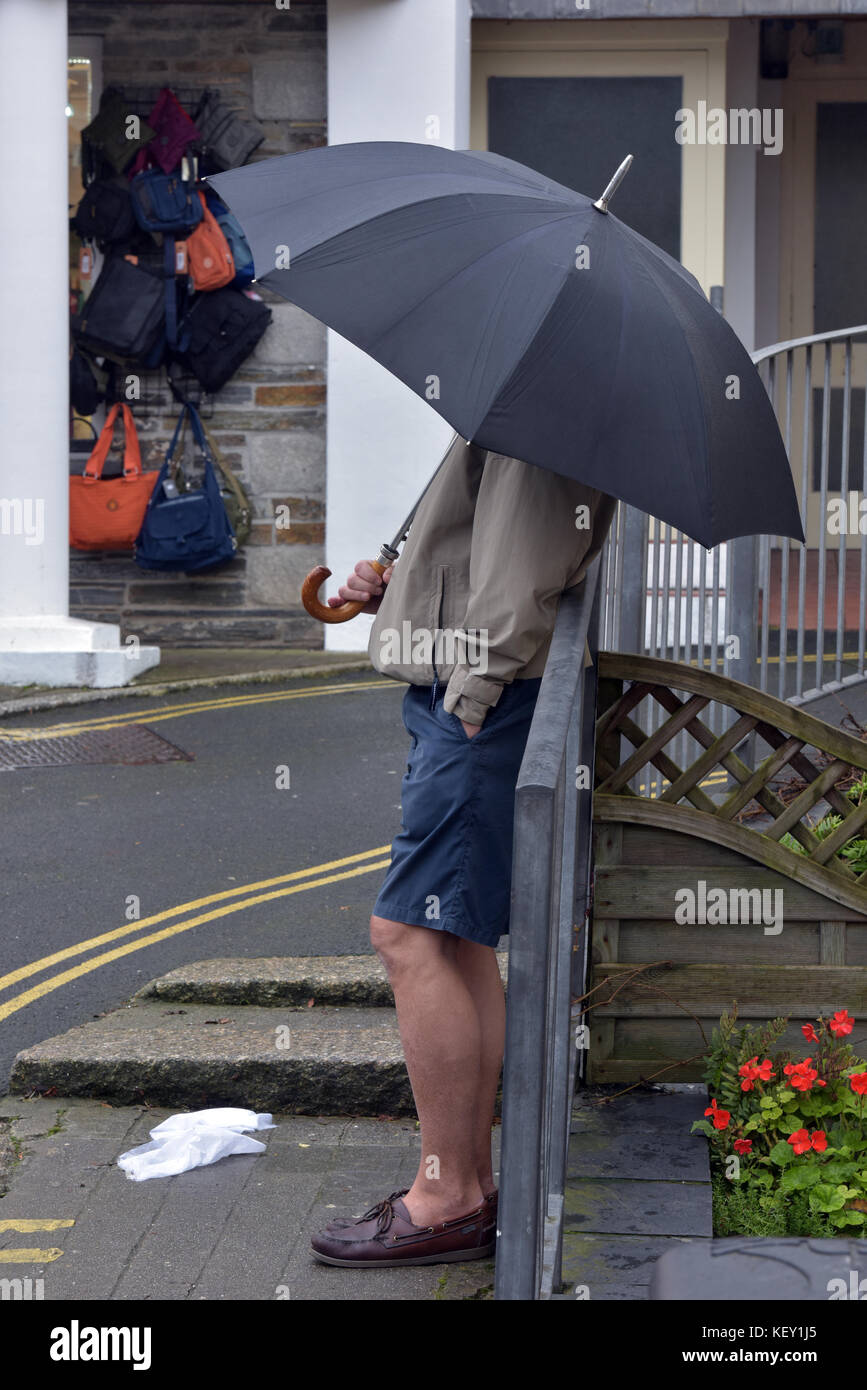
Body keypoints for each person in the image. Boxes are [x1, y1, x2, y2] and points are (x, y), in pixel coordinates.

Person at [310, 434, 615, 1268]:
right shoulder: (514, 406)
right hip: (468, 688)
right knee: (458, 936)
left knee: (407, 934)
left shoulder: (536, 417)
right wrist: (397, 593)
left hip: (480, 700)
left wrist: (472, 693)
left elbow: (523, 570)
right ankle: (470, 1189)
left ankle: (442, 1198)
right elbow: (481, 555)